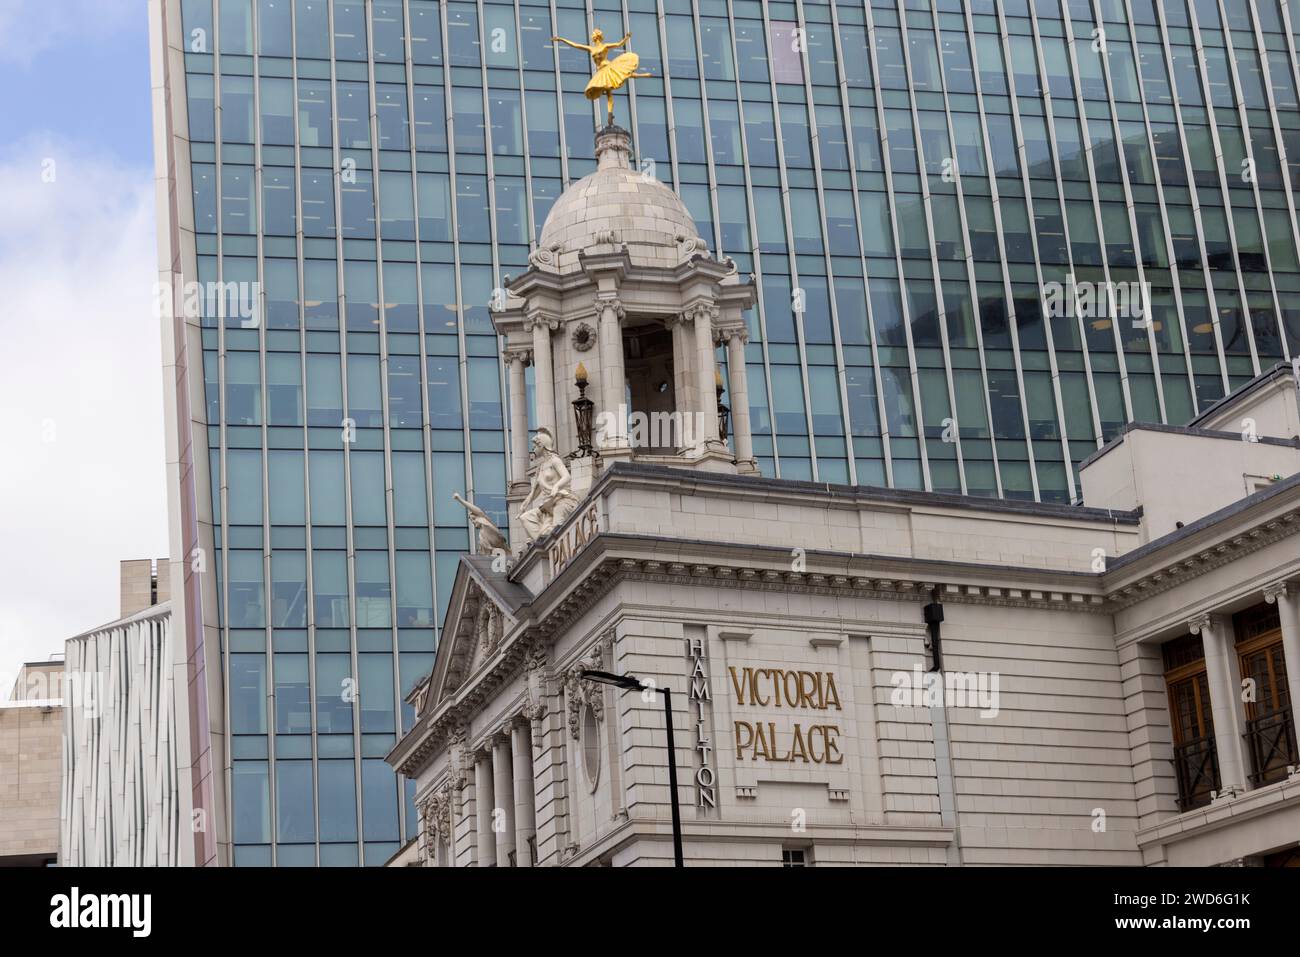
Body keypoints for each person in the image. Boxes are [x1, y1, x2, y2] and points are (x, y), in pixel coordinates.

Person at [552, 29, 651, 126]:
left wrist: (626, 38)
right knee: (609, 92)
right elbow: (576, 45)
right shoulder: (591, 48)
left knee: (623, 74)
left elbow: (619, 44)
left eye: (594, 35)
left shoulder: (605, 46)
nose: (593, 37)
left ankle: (643, 75)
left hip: (608, 66)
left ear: (597, 36)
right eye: (593, 35)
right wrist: (561, 39)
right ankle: (610, 114)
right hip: (601, 71)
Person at [519, 429, 579, 541]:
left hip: (563, 500)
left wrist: (556, 487)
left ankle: (550, 544)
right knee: (525, 517)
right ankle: (542, 547)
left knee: (556, 532)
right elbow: (535, 492)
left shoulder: (555, 460)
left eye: (535, 446)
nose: (533, 449)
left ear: (541, 445)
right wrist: (525, 504)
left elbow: (566, 476)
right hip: (548, 505)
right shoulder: (540, 467)